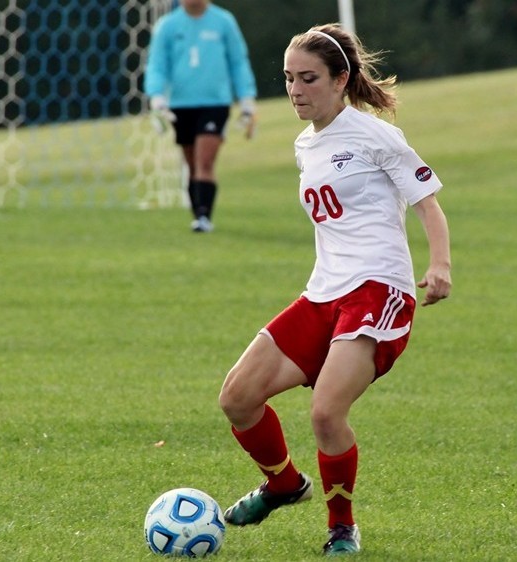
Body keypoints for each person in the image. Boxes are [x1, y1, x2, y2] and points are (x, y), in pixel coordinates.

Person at [217, 23, 452, 555]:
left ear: (340, 79)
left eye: (308, 79)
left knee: (326, 412)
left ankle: (341, 526)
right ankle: (282, 484)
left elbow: (427, 203)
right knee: (237, 397)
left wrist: (441, 266)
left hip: (379, 291)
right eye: (288, 79)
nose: (295, 90)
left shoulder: (376, 135)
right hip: (324, 293)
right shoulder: (306, 143)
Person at [143, 0, 258, 233]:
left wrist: (246, 98)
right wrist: (156, 96)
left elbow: (238, 61)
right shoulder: (167, 26)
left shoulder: (223, 21)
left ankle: (204, 217)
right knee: (192, 164)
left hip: (215, 103)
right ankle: (198, 214)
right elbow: (157, 64)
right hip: (181, 104)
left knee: (204, 161)